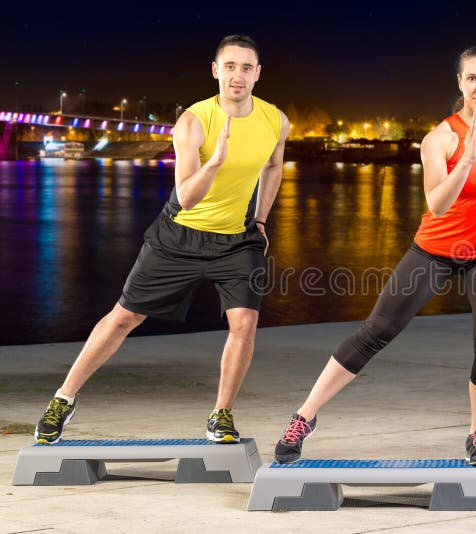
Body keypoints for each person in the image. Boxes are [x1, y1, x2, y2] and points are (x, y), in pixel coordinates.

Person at [274, 44, 476, 466]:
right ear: (460, 82)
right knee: (376, 331)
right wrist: (467, 161)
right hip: (435, 249)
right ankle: (303, 418)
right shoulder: (441, 138)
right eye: (472, 78)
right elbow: (437, 204)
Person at [34, 34, 290, 444]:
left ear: (258, 74)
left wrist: (259, 219)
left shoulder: (275, 119)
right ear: (215, 71)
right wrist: (217, 162)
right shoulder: (194, 121)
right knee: (124, 317)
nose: (237, 76)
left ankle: (220, 415)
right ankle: (63, 399)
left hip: (236, 239)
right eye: (229, 67)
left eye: (246, 68)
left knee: (245, 322)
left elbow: (274, 167)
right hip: (180, 235)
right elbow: (187, 196)